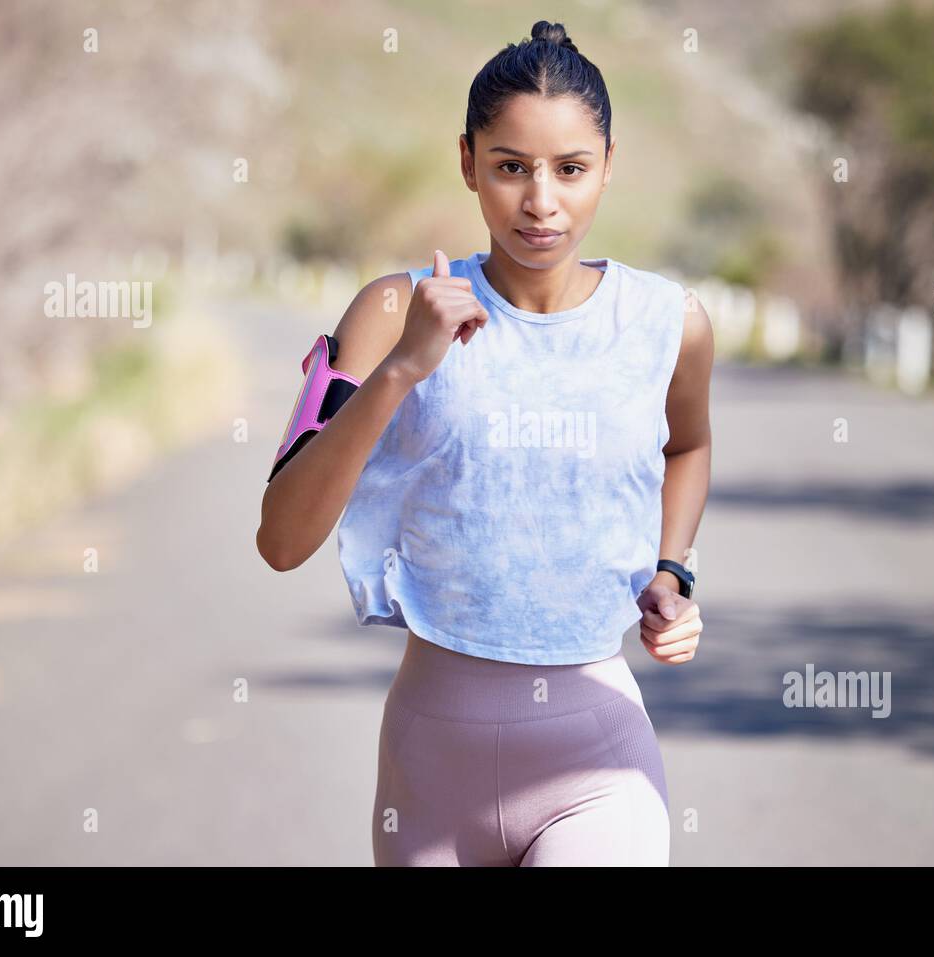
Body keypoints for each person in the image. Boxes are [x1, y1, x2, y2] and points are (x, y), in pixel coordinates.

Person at [256, 19, 713, 866]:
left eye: (571, 169)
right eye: (511, 167)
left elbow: (686, 446)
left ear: (609, 165)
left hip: (599, 762)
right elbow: (281, 540)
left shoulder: (668, 322)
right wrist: (400, 370)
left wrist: (671, 570)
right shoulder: (395, 309)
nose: (541, 201)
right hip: (431, 774)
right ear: (467, 161)